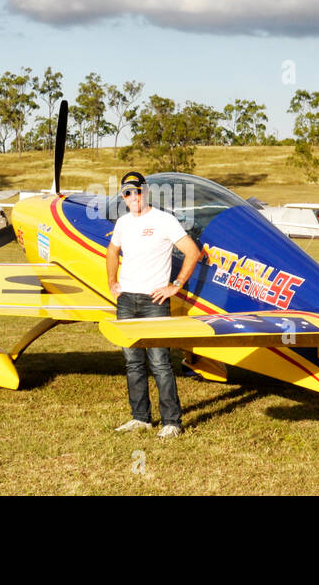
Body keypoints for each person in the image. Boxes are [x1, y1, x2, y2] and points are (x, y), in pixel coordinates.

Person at [107, 172, 201, 438]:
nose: (133, 197)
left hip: (154, 302)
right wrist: (112, 280)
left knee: (160, 363)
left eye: (137, 191)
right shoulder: (123, 223)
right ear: (123, 197)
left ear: (145, 191)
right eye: (127, 193)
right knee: (133, 363)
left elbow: (193, 252)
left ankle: (172, 421)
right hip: (126, 301)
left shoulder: (164, 220)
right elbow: (112, 251)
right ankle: (141, 418)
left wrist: (177, 284)